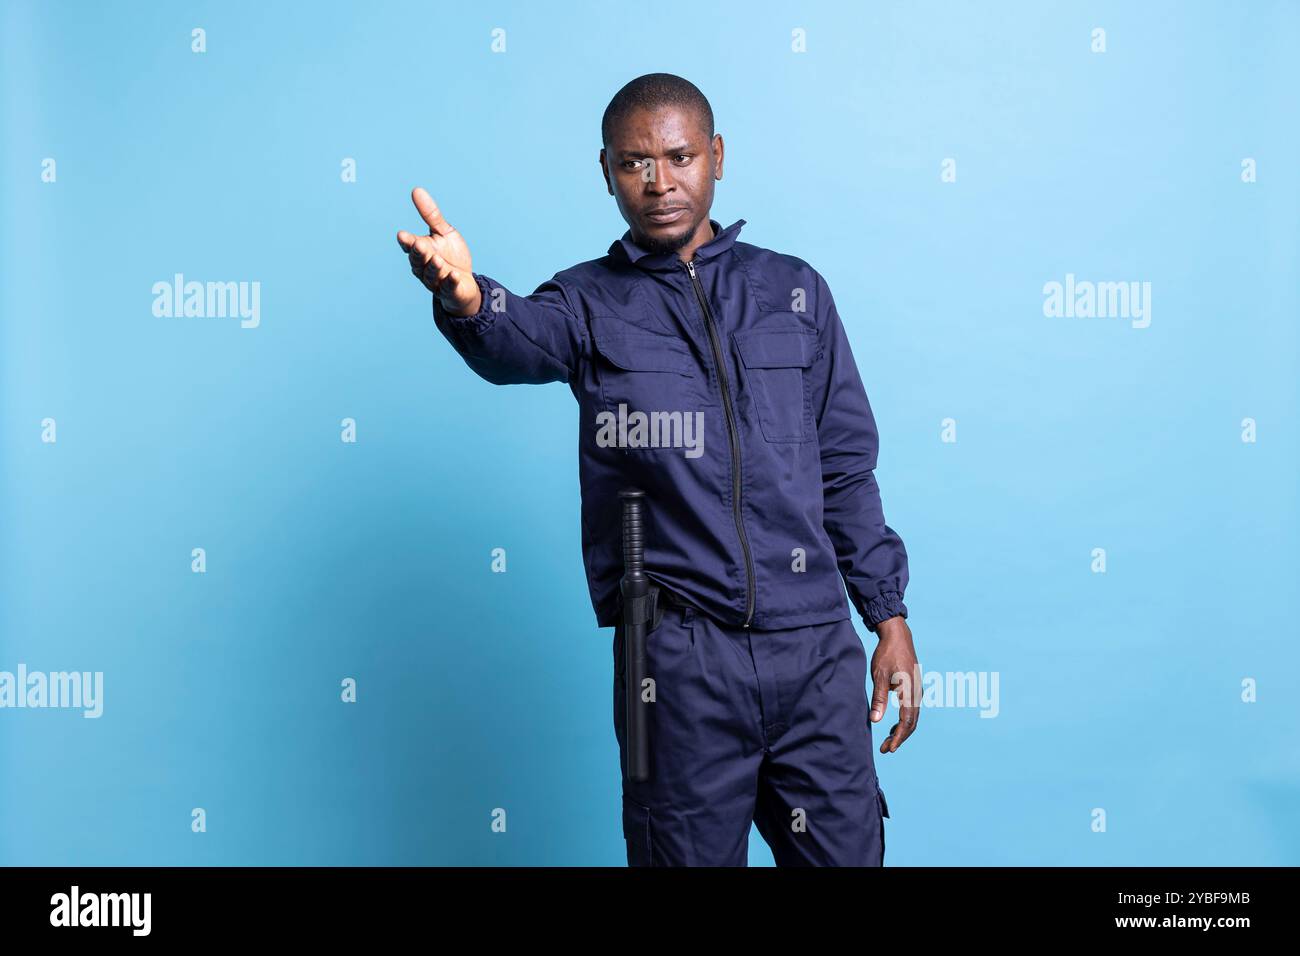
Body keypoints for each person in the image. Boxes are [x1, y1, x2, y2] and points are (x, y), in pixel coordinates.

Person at [397, 73, 920, 866]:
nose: (659, 182)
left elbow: (846, 469)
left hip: (814, 651)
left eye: (679, 157)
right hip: (676, 667)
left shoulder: (795, 292)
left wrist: (888, 617)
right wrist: (468, 298)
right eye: (635, 162)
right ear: (605, 171)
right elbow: (516, 341)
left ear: (717, 157)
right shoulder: (586, 303)